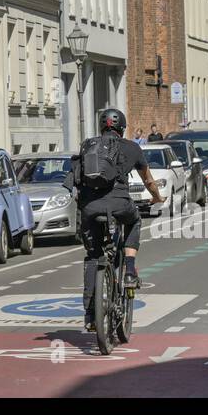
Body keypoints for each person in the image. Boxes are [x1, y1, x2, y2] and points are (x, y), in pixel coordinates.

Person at [64, 108, 162, 333]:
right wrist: (157, 198)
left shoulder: (88, 145)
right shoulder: (132, 147)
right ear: (122, 127)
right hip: (119, 204)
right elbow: (148, 180)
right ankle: (128, 269)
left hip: (90, 208)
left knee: (93, 257)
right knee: (135, 221)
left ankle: (90, 316)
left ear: (101, 126)